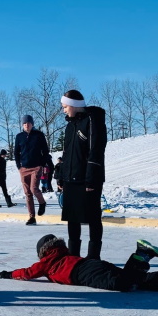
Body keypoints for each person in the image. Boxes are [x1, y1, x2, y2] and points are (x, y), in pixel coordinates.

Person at [0, 234, 158, 294]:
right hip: (91, 264)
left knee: (122, 284)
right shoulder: (64, 253)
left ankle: (142, 255)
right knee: (137, 281)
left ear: (43, 252)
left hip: (82, 274)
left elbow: (29, 272)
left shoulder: (47, 262)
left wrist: (8, 274)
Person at [59, 89, 107, 259]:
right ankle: (73, 256)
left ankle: (93, 256)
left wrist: (91, 180)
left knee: (93, 217)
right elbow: (66, 154)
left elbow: (96, 151)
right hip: (71, 178)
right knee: (72, 218)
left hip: (88, 179)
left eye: (65, 106)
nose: (64, 110)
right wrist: (61, 177)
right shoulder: (69, 126)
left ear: (74, 105)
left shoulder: (93, 120)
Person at [14, 114, 50, 224]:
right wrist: (19, 166)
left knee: (34, 188)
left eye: (28, 123)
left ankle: (42, 202)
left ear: (32, 124)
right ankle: (32, 217)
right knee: (28, 193)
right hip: (24, 168)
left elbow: (45, 150)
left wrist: (42, 164)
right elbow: (16, 152)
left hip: (36, 166)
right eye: (24, 124)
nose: (26, 125)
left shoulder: (39, 135)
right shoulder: (19, 136)